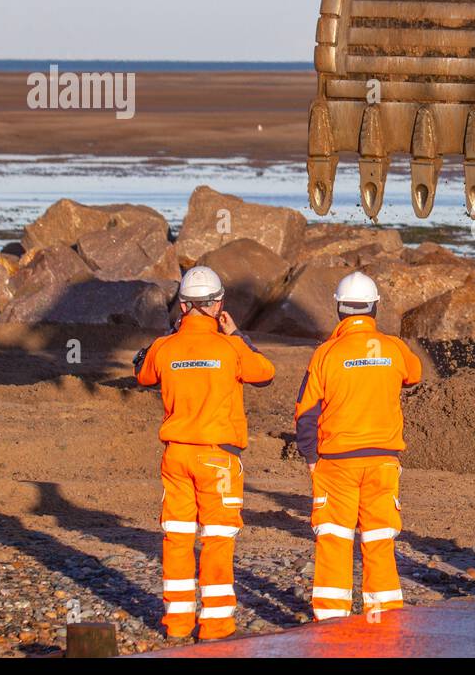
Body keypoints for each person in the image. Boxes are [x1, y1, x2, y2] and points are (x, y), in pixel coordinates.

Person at [134, 265, 276, 641]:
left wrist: (173, 334)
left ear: (182, 305)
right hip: (219, 459)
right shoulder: (231, 347)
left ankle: (177, 624)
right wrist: (237, 334)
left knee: (177, 537)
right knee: (217, 539)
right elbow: (265, 372)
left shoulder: (166, 348)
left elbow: (143, 373)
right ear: (218, 305)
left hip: (177, 455)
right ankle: (215, 626)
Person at [293, 271, 421, 620]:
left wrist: (310, 457)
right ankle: (385, 619)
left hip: (336, 463)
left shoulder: (326, 353)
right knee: (379, 540)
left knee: (334, 539)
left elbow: (305, 413)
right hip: (383, 462)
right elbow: (414, 374)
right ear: (375, 307)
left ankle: (333, 622)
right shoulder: (395, 348)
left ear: (338, 309)